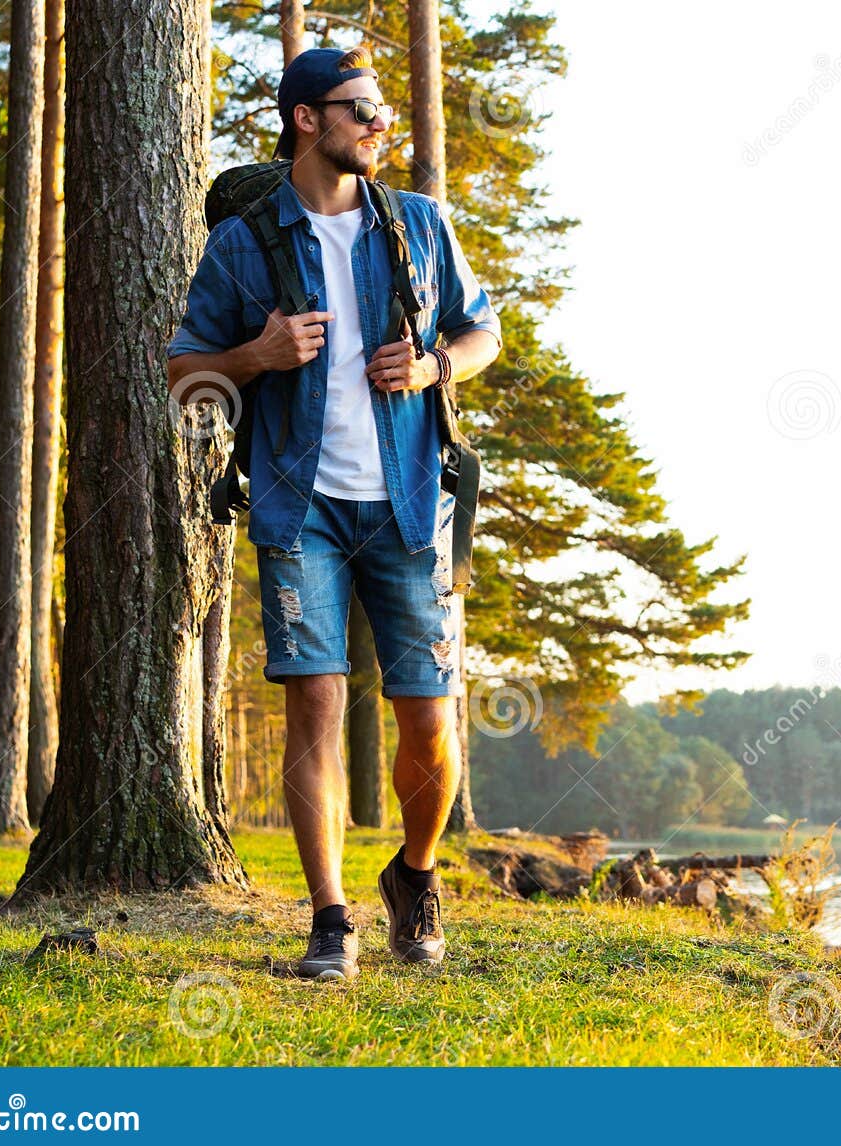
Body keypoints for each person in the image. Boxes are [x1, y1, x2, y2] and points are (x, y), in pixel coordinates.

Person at [166, 46, 502, 978]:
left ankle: (416, 873)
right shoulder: (246, 243)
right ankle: (329, 919)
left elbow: (484, 331)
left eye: (385, 109)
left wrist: (435, 364)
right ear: (307, 118)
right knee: (313, 707)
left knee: (430, 719)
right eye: (361, 109)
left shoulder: (421, 227)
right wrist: (258, 354)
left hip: (408, 504)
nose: (380, 124)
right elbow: (180, 370)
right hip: (295, 507)